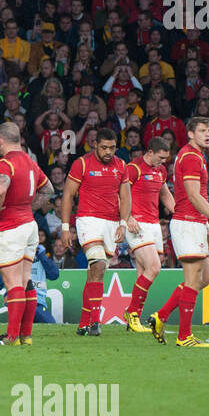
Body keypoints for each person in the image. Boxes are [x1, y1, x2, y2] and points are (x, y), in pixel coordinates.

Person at [143, 117, 209, 348]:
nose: (208, 134)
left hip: (195, 223)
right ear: (190, 134)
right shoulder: (190, 157)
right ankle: (184, 336)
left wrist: (206, 224)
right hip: (187, 223)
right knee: (192, 279)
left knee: (204, 279)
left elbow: (197, 195)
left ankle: (161, 316)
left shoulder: (197, 156)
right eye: (203, 130)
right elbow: (193, 195)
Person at [59, 127, 132, 336]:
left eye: (112, 147)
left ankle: (83, 323)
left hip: (111, 224)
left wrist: (123, 224)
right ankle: (95, 322)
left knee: (94, 273)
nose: (108, 152)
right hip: (88, 221)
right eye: (104, 147)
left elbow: (126, 197)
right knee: (99, 265)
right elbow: (68, 195)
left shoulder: (121, 166)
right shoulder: (81, 163)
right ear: (95, 145)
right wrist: (66, 228)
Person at [0, 122, 52, 345]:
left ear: (0, 140)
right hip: (29, 225)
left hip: (10, 227)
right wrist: (29, 207)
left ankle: (11, 336)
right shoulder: (31, 163)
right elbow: (49, 189)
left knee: (12, 282)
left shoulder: (4, 164)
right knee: (25, 282)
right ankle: (26, 336)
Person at [124, 137, 176, 332]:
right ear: (150, 152)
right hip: (137, 223)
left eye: (165, 159)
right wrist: (127, 217)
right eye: (160, 158)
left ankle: (135, 318)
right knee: (154, 267)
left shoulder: (160, 170)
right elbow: (120, 194)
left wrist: (177, 212)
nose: (162, 162)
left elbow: (164, 194)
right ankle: (132, 312)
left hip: (154, 223)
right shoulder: (133, 169)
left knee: (144, 272)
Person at [0, 241, 61, 333]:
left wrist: (43, 257)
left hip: (38, 303)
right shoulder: (13, 262)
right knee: (50, 327)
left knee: (49, 328)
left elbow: (54, 275)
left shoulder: (41, 261)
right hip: (20, 302)